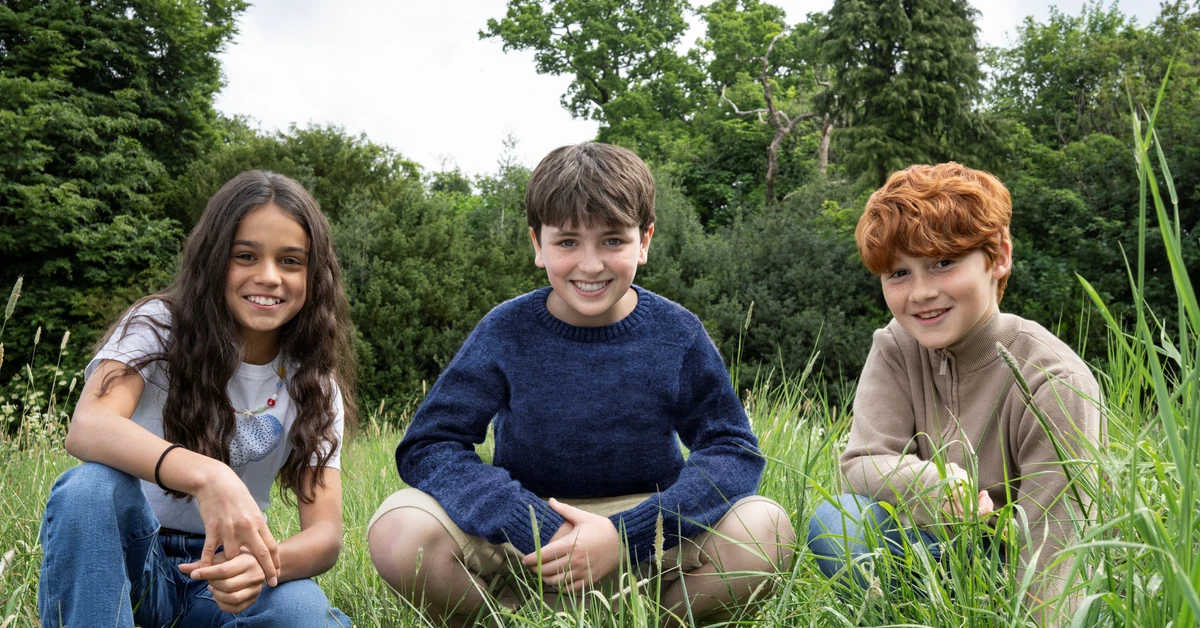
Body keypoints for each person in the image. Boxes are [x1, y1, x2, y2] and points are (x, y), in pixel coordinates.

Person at [367, 142, 795, 627]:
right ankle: (510, 622)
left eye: (613, 240)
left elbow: (731, 448)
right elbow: (429, 444)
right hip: (525, 542)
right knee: (400, 527)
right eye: (568, 242)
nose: (590, 265)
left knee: (766, 528)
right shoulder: (506, 330)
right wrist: (530, 522)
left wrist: (627, 535)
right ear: (537, 244)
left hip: (647, 542)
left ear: (645, 240)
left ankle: (646, 622)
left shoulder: (677, 332)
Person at [38, 171, 355, 627]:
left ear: (314, 274)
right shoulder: (156, 325)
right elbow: (88, 425)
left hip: (225, 575)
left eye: (290, 261)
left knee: (300, 607)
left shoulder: (314, 383)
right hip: (129, 562)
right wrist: (210, 476)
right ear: (213, 258)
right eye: (245, 256)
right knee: (90, 489)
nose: (269, 277)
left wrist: (264, 566)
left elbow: (325, 535)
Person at [806, 163, 1102, 621]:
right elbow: (861, 463)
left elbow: (1058, 544)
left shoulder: (1055, 379)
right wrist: (934, 486)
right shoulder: (896, 347)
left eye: (943, 263)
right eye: (899, 273)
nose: (921, 292)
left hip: (1017, 567)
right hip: (928, 549)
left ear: (998, 257)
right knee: (837, 521)